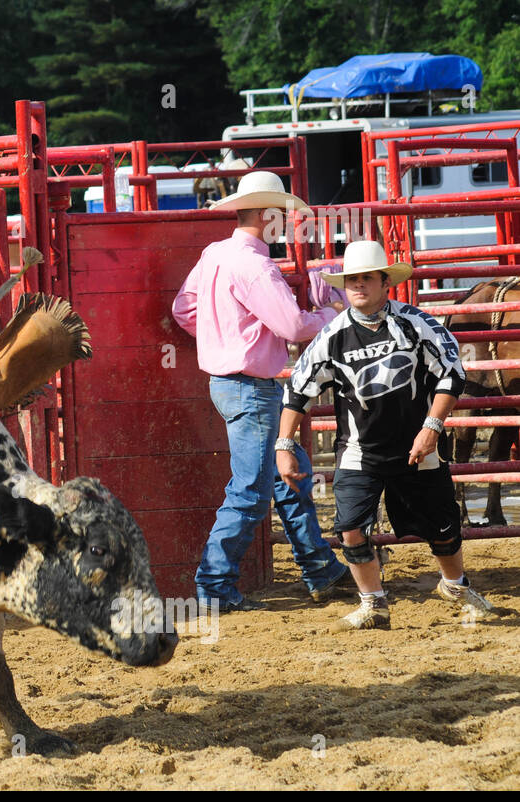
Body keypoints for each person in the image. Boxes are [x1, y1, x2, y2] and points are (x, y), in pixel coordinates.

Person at [277, 239, 494, 630]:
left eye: (367, 278)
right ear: (344, 287)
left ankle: (455, 585)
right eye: (352, 280)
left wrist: (431, 428)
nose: (359, 285)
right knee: (350, 529)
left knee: (443, 529)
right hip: (360, 451)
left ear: (384, 282)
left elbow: (452, 372)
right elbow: (298, 389)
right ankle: (372, 604)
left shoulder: (416, 323)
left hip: (419, 447)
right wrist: (284, 445)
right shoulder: (332, 336)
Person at [172, 170, 351, 611]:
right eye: (282, 215)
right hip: (252, 386)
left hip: (230, 381)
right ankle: (214, 585)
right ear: (265, 215)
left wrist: (225, 335)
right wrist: (330, 313)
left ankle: (320, 568)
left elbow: (183, 310)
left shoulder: (215, 254)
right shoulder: (255, 265)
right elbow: (292, 327)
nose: (287, 222)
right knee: (253, 488)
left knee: (288, 476)